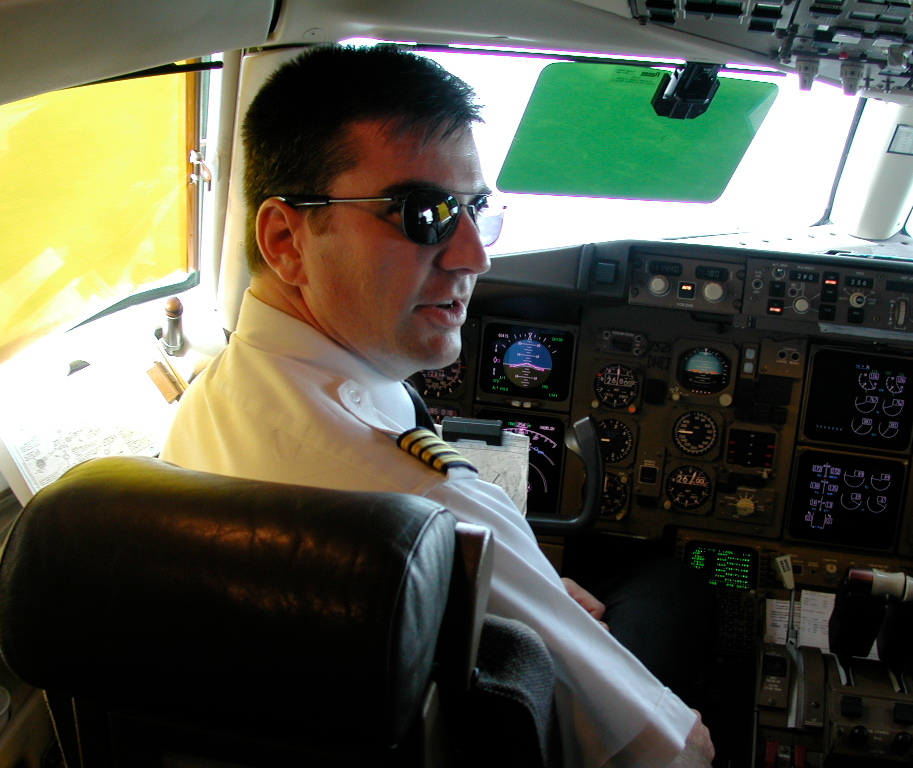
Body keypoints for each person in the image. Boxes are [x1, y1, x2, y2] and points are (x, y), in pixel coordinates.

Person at [162, 44, 714, 768]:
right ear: (284, 240)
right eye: (424, 213)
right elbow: (673, 753)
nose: (473, 256)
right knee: (671, 578)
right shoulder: (423, 504)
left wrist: (533, 593)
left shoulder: (211, 397)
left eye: (475, 208)